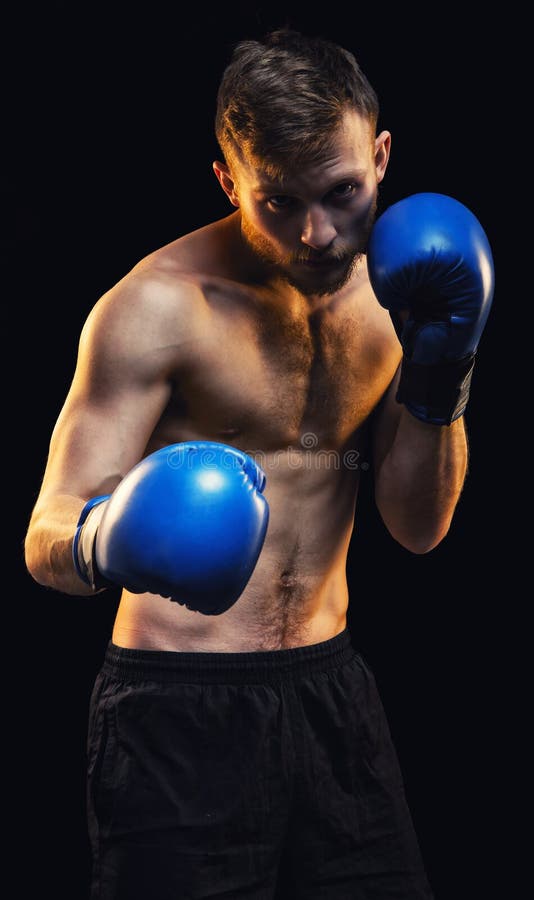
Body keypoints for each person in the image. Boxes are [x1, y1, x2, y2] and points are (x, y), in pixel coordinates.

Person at [24, 27, 494, 900]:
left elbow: (419, 530)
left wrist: (445, 373)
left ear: (381, 157)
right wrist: (105, 543)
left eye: (342, 192)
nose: (317, 233)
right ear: (226, 180)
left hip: (332, 693)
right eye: (276, 202)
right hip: (174, 713)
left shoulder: (410, 290)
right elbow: (44, 534)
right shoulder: (157, 307)